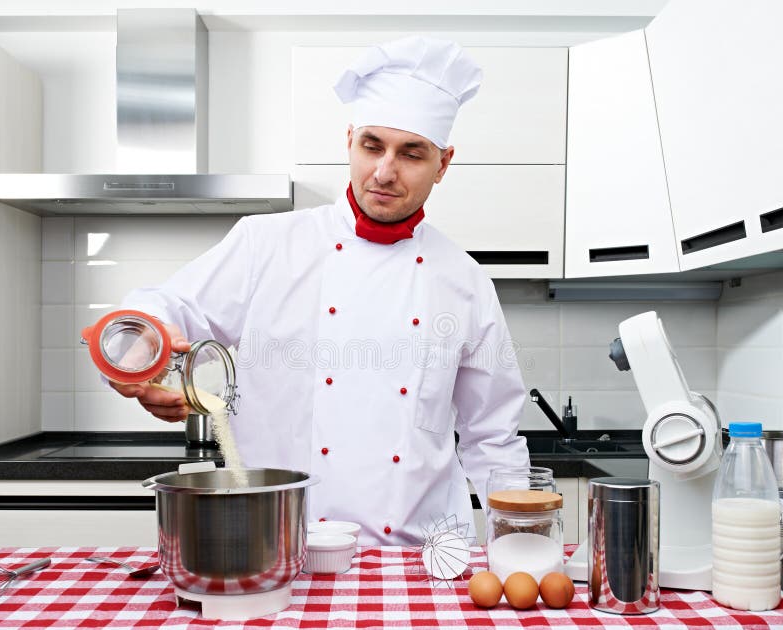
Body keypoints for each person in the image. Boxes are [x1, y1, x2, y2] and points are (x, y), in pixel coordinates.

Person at [113, 36, 530, 545]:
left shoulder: (465, 282)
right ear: (350, 140)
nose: (384, 172)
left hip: (421, 558)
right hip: (283, 546)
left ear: (444, 163)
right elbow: (168, 307)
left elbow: (493, 439)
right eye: (371, 146)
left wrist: (521, 545)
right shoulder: (266, 245)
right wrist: (134, 356)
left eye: (412, 154)